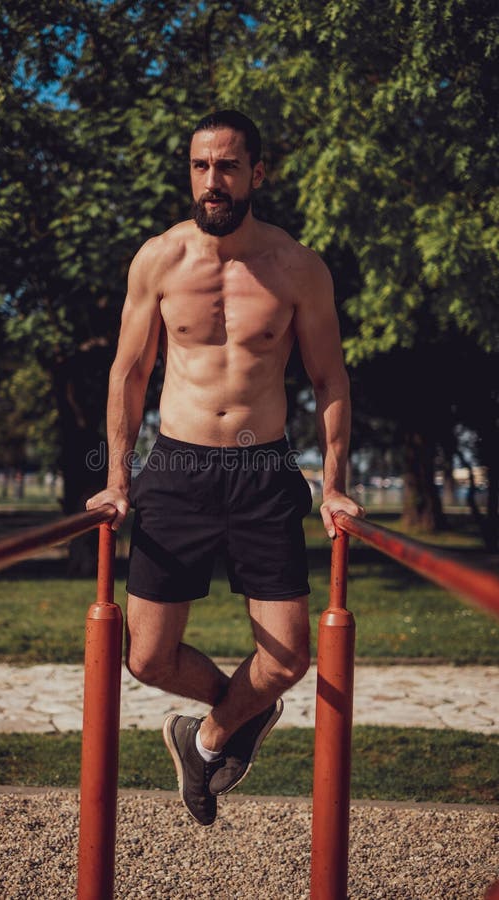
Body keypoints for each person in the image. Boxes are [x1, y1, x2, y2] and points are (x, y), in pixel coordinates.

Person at [86, 109, 365, 826]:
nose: (213, 182)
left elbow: (330, 378)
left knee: (290, 658)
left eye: (229, 167)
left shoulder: (298, 267)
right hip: (175, 468)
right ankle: (239, 718)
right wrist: (118, 477)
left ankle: (208, 736)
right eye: (201, 167)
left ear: (257, 173)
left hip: (262, 470)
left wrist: (333, 483)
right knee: (145, 659)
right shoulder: (159, 260)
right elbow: (130, 371)